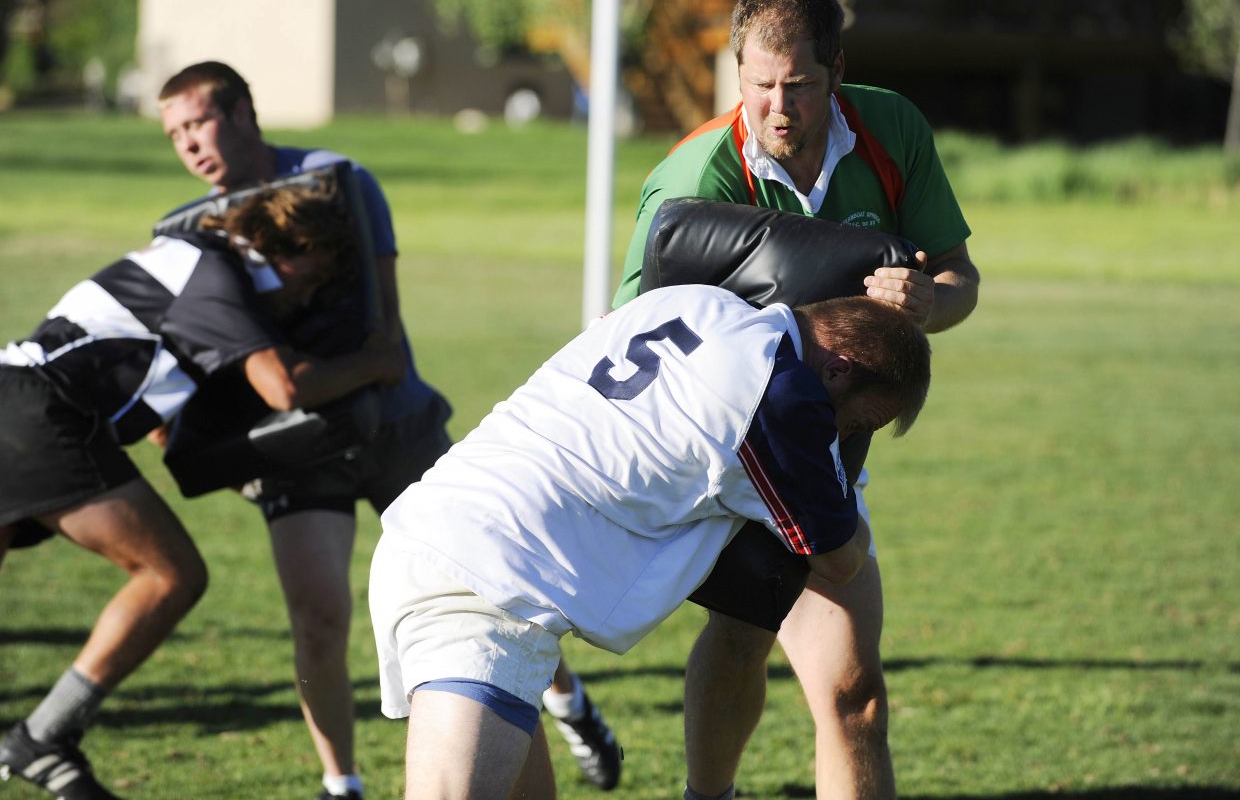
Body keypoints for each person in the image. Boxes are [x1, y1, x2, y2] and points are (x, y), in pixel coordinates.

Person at [156, 61, 621, 797]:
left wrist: (343, 374)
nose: (188, 143)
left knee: (494, 594)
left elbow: (386, 323)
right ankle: (341, 782)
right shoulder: (196, 233)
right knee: (316, 614)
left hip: (396, 422)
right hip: (299, 449)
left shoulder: (337, 180)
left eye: (199, 121)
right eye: (175, 132)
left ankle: (571, 704)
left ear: (244, 111)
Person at [612, 0, 981, 800]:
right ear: (735, 70)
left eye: (801, 85)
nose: (778, 107)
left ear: (836, 71)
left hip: (831, 447)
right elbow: (632, 334)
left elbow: (960, 278)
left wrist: (931, 303)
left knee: (855, 693)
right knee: (741, 634)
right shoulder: (695, 176)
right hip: (725, 454)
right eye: (759, 84)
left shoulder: (891, 130)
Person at [369, 284, 932, 800]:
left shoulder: (691, 300)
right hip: (490, 591)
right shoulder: (777, 393)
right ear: (837, 370)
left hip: (433, 533)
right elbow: (839, 558)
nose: (846, 438)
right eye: (858, 424)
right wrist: (835, 481)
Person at [0, 188, 405, 800]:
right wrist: (376, 364)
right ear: (295, 248)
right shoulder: (213, 270)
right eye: (313, 278)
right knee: (170, 576)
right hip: (38, 411)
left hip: (17, 396)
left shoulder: (191, 263)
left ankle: (49, 756)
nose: (307, 298)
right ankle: (45, 736)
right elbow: (285, 385)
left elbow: (155, 401)